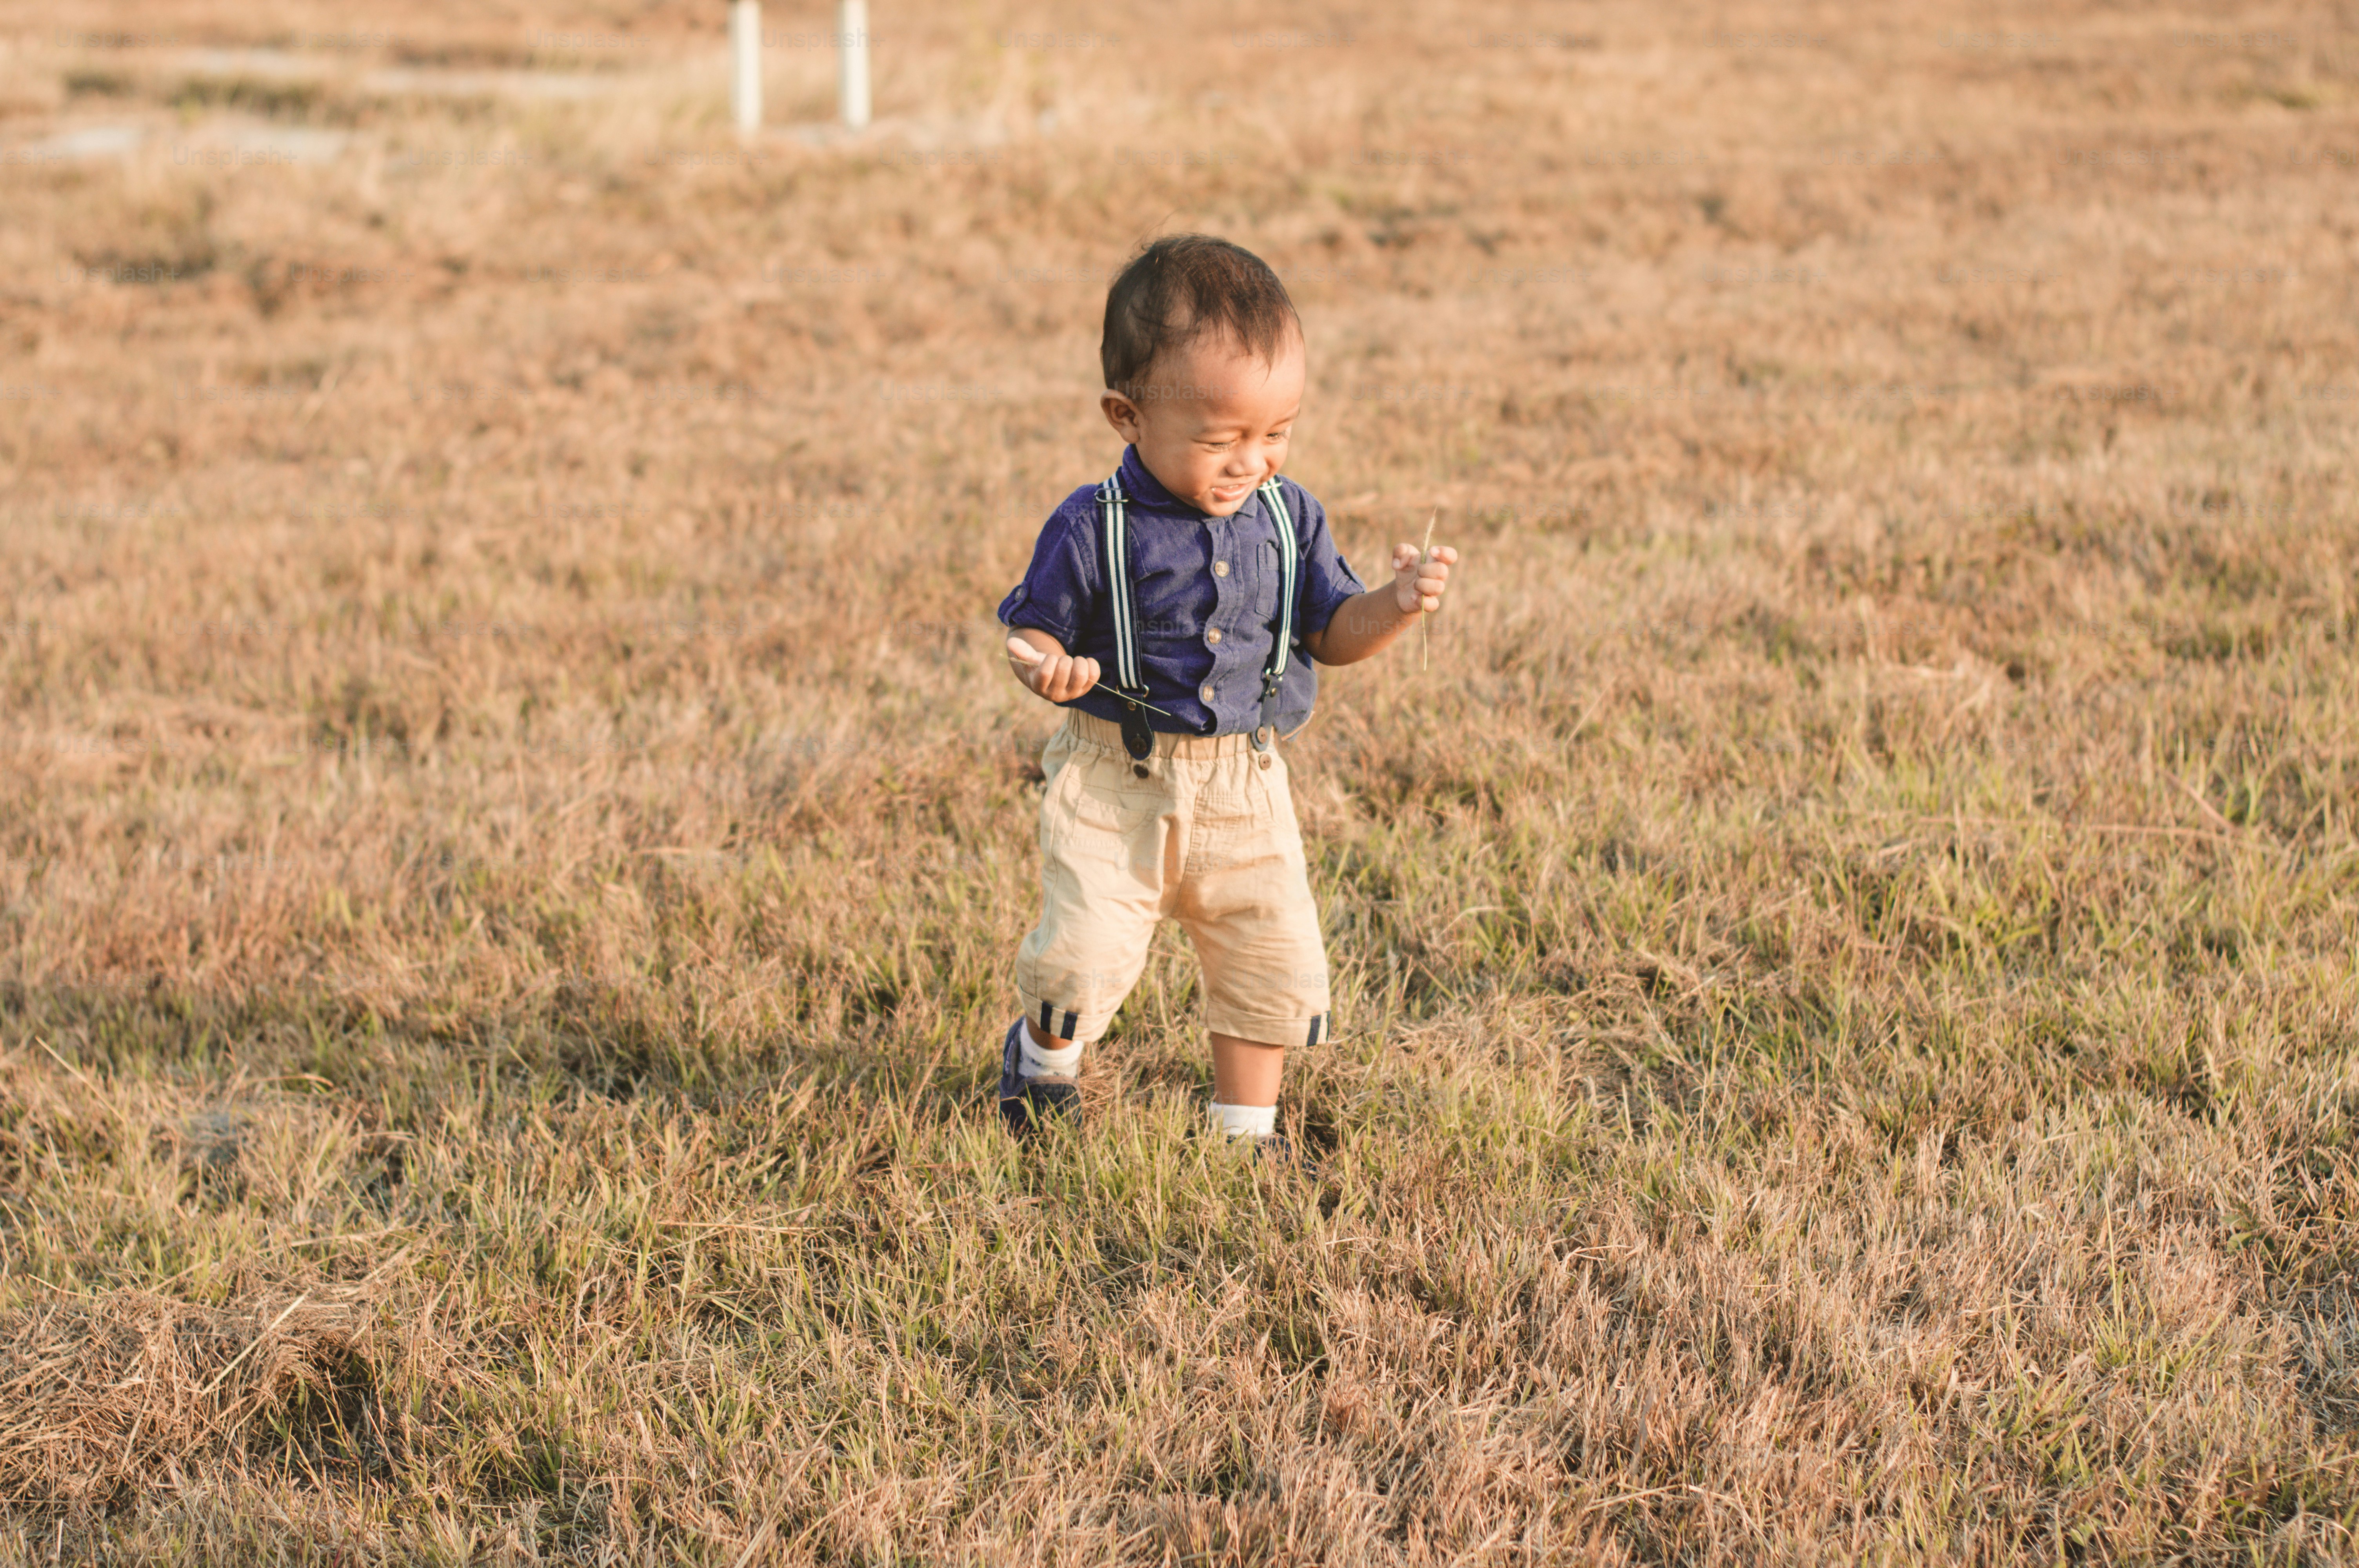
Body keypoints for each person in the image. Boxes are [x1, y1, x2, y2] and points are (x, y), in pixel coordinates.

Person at [994, 233, 1459, 1151]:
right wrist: (1048, 664)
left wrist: (1395, 606)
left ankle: (1243, 1130)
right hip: (1114, 779)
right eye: (1220, 440)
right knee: (1082, 955)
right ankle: (1043, 1061)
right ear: (1126, 416)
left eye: (1275, 434)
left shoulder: (1291, 518)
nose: (1251, 461)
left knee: (1266, 950)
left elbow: (1330, 632)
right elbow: (1031, 626)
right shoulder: (1093, 526)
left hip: (1245, 782)